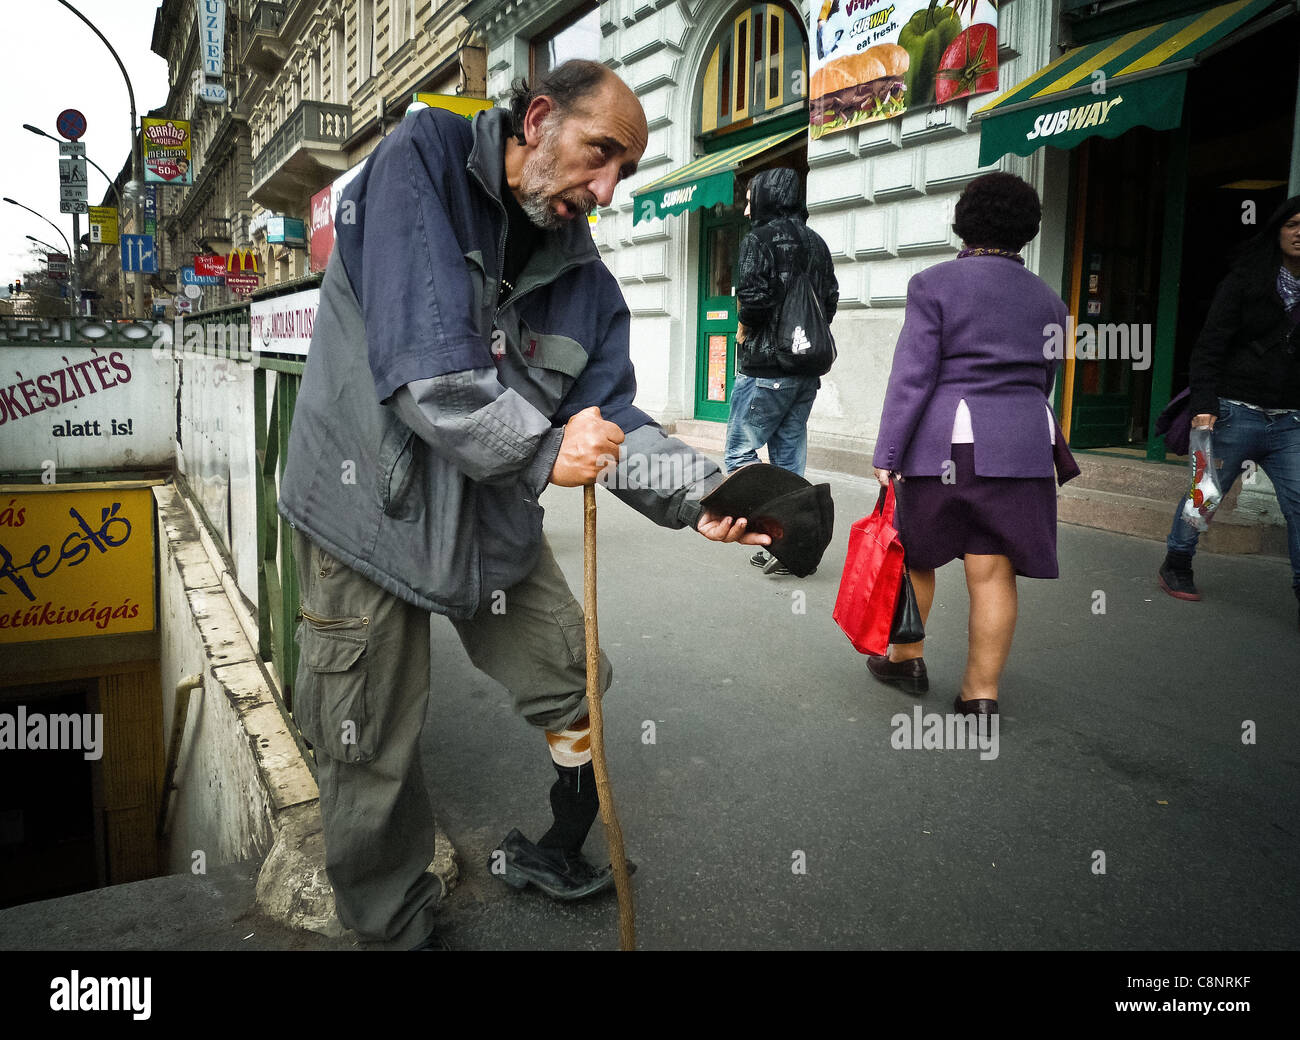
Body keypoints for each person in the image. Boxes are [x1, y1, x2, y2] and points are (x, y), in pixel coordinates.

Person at [277, 60, 769, 949]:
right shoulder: (420, 161)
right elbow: (433, 372)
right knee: (370, 745)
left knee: (569, 674)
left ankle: (564, 839)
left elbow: (614, 420)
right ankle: (395, 929)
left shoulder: (586, 282)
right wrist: (548, 450)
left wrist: (710, 493)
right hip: (367, 519)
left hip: (489, 518)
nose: (609, 187)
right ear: (537, 118)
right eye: (600, 154)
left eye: (624, 170)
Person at [867, 172, 1078, 715]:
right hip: (1022, 444)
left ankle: (904, 656)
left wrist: (888, 453)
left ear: (963, 223)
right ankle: (980, 695)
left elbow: (912, 378)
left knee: (917, 556)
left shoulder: (932, 284)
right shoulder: (1050, 301)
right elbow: (1044, 382)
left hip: (946, 443)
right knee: (993, 567)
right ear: (1028, 230)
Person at [1157, 196, 1300, 631]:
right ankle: (1177, 562)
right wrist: (1204, 407)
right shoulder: (1245, 281)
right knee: (1205, 496)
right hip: (1235, 412)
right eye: (1293, 224)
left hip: (1292, 421)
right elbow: (1209, 347)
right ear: (1277, 230)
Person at [724, 167, 838, 575]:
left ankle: (762, 529)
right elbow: (830, 301)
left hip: (765, 368)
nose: (747, 205)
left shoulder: (759, 239)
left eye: (751, 196)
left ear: (768, 197)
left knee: (739, 453)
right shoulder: (817, 242)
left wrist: (751, 326)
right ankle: (789, 544)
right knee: (789, 459)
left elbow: (752, 303)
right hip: (806, 371)